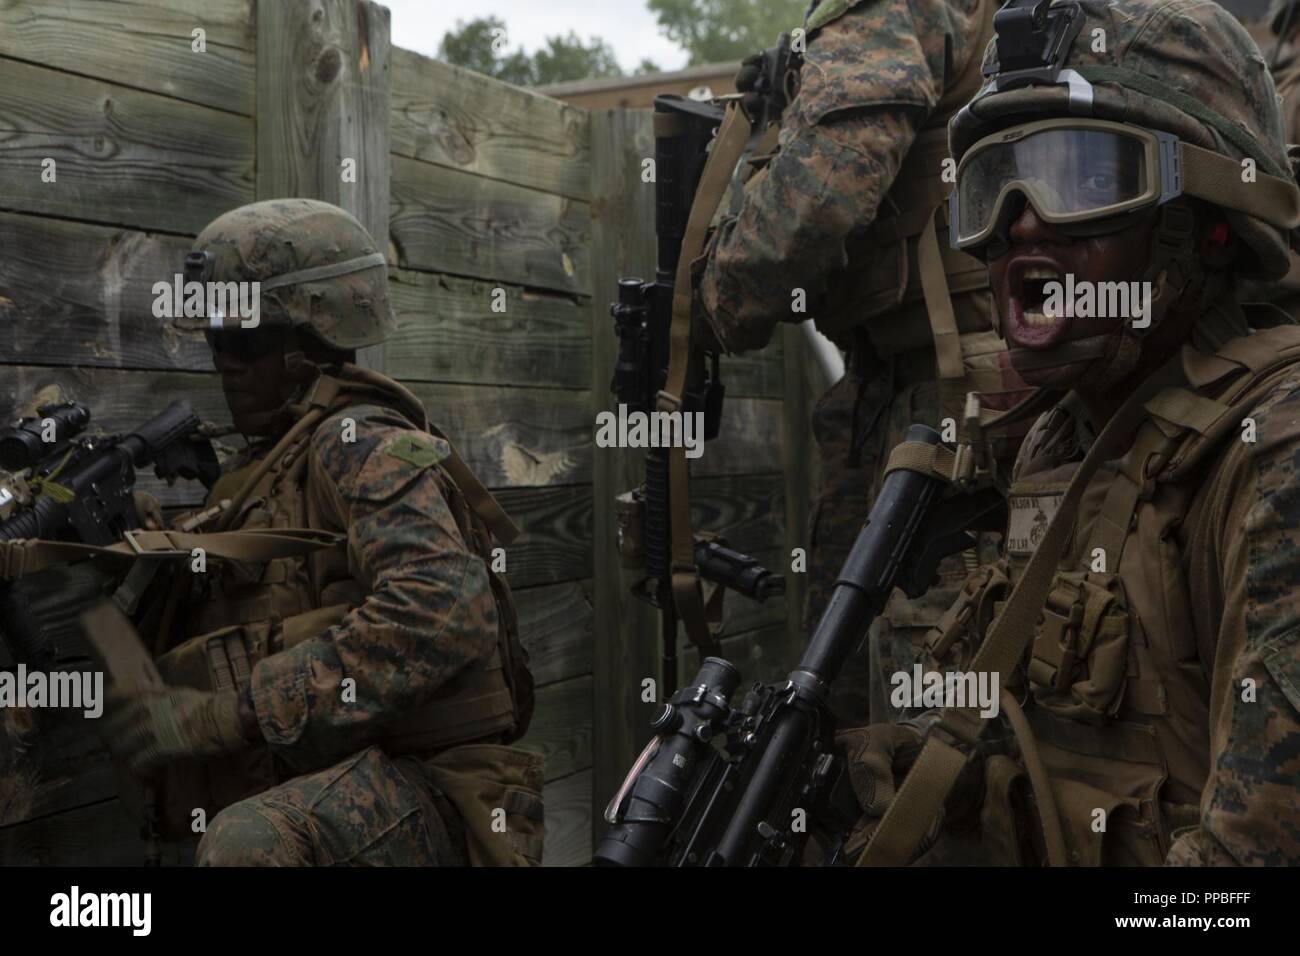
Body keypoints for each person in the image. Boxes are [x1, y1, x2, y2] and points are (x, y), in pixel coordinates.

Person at [843, 0, 1300, 866]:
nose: (1020, 223)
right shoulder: (1067, 435)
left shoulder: (1271, 449)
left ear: (1204, 218)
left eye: (1084, 178)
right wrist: (943, 780)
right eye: (993, 187)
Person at [101, 199, 544, 866]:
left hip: (436, 787)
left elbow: (443, 613)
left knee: (247, 843)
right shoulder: (266, 468)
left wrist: (235, 713)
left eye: (245, 340)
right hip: (340, 786)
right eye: (217, 339)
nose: (225, 362)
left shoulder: (359, 442)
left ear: (311, 342)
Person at [700, 0, 1028, 724]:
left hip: (945, 413)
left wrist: (709, 301)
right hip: (998, 394)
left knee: (888, 729)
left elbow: (809, 207)